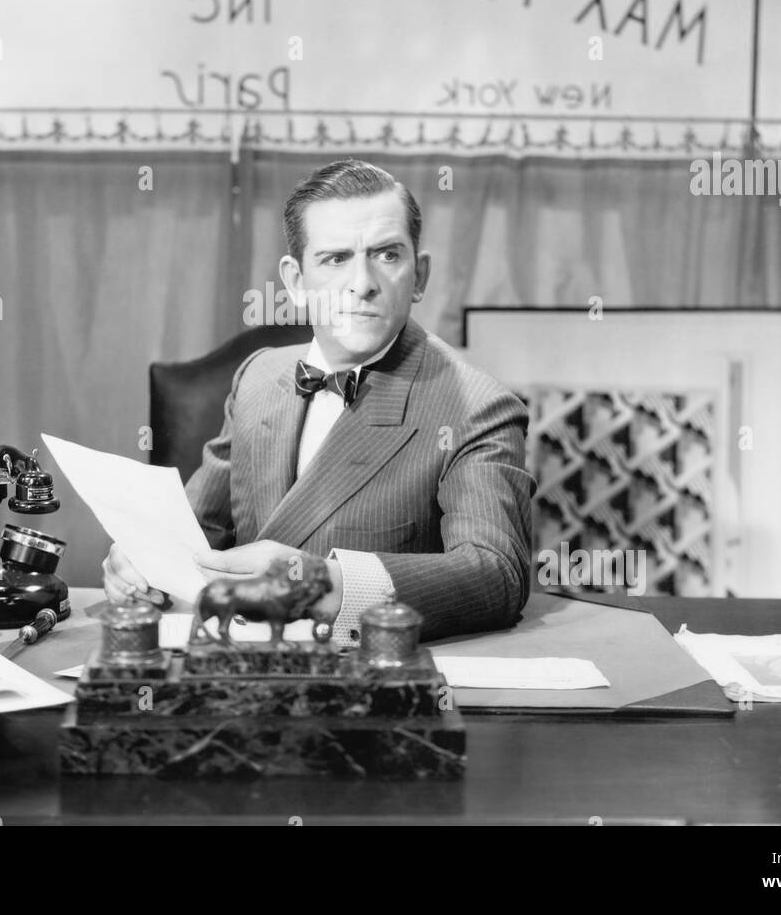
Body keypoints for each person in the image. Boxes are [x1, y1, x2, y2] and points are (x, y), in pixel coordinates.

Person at [104, 158, 535, 642]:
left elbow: (497, 575)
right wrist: (142, 560)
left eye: (388, 255)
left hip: (372, 687)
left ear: (419, 276)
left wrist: (314, 581)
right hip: (235, 674)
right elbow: (196, 530)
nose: (363, 282)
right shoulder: (258, 376)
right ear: (294, 281)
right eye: (335, 259)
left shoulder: (478, 406)